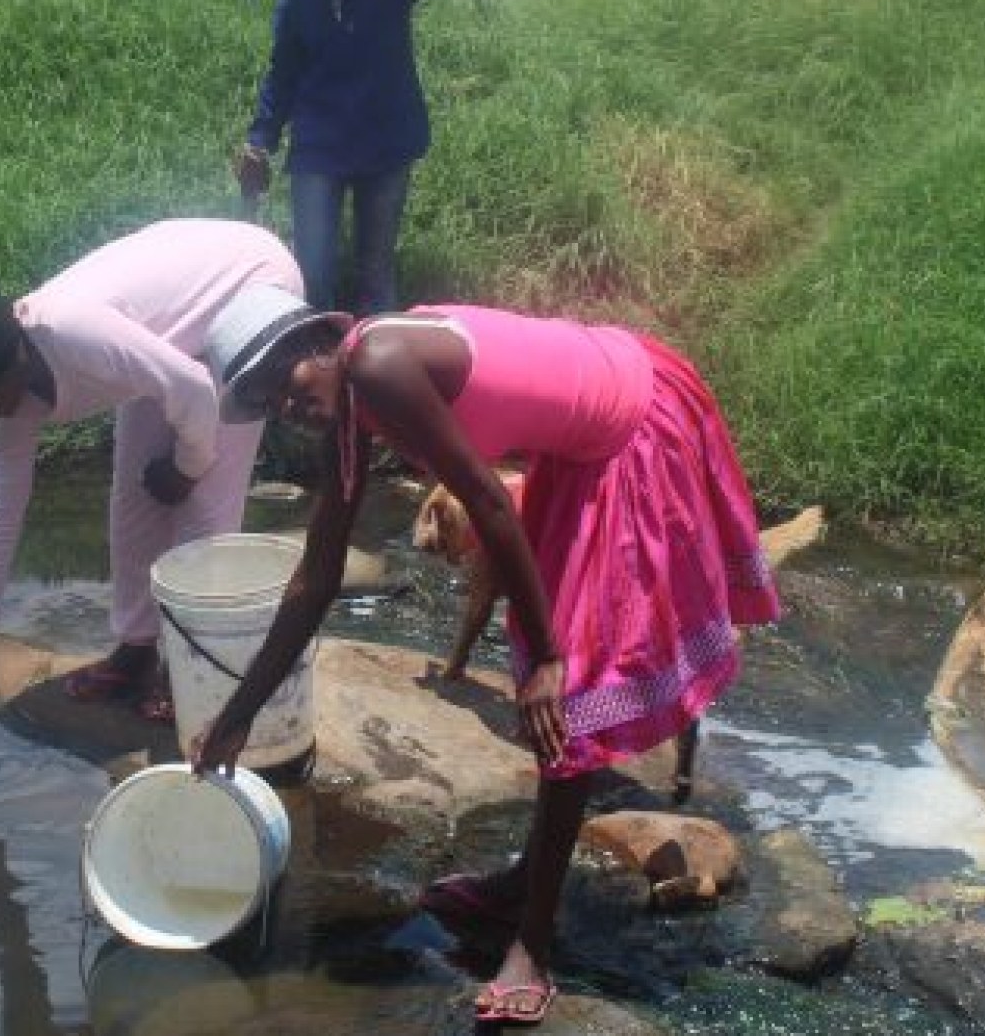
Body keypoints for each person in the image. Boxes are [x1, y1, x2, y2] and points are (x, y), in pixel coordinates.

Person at [193, 287, 780, 1027]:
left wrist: (546, 660)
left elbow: (488, 503)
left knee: (571, 694)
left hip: (630, 423)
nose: (287, 405)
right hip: (578, 438)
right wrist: (236, 719)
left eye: (287, 383)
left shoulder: (376, 363)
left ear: (317, 344)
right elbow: (317, 575)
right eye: (269, 402)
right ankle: (521, 884)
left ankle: (532, 945)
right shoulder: (352, 400)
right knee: (551, 664)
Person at [0, 219, 305, 719]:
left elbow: (195, 390)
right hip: (167, 329)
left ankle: (192, 670)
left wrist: (187, 465)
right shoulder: (11, 401)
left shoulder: (74, 333)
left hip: (244, 284)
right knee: (134, 498)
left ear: (15, 360)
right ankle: (137, 649)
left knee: (203, 501)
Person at [233, 0, 458, 316]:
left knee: (376, 275)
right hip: (320, 149)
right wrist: (260, 141)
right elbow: (284, 72)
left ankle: (378, 379)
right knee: (311, 275)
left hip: (385, 144)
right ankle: (321, 377)